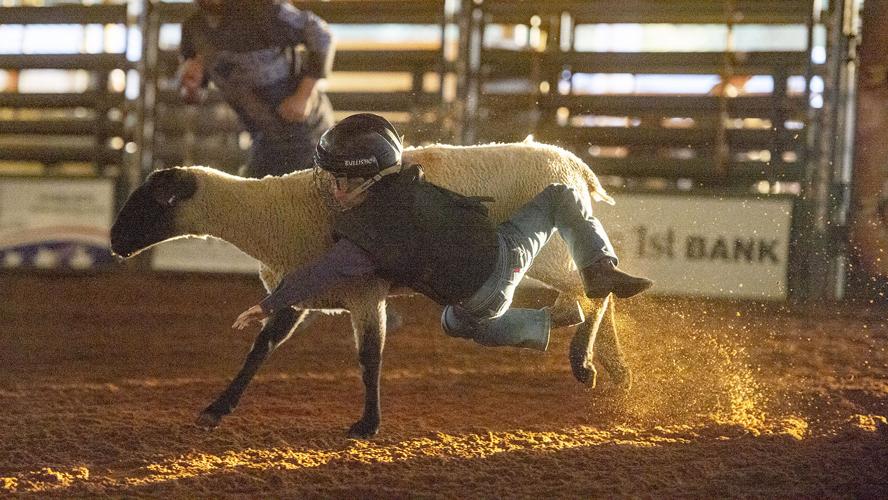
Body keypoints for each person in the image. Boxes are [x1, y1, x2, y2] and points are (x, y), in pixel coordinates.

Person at [232, 113, 653, 353]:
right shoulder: (420, 185)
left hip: (469, 303)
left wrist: (271, 303)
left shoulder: (361, 239)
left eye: (344, 180)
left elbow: (320, 272)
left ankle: (545, 324)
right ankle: (598, 267)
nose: (334, 189)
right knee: (560, 196)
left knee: (455, 321)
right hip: (500, 264)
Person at [179, 0, 335, 178]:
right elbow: (193, 94)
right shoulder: (194, 30)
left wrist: (303, 96)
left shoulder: (265, 9)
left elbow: (321, 35)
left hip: (307, 135)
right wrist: (190, 87)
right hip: (264, 140)